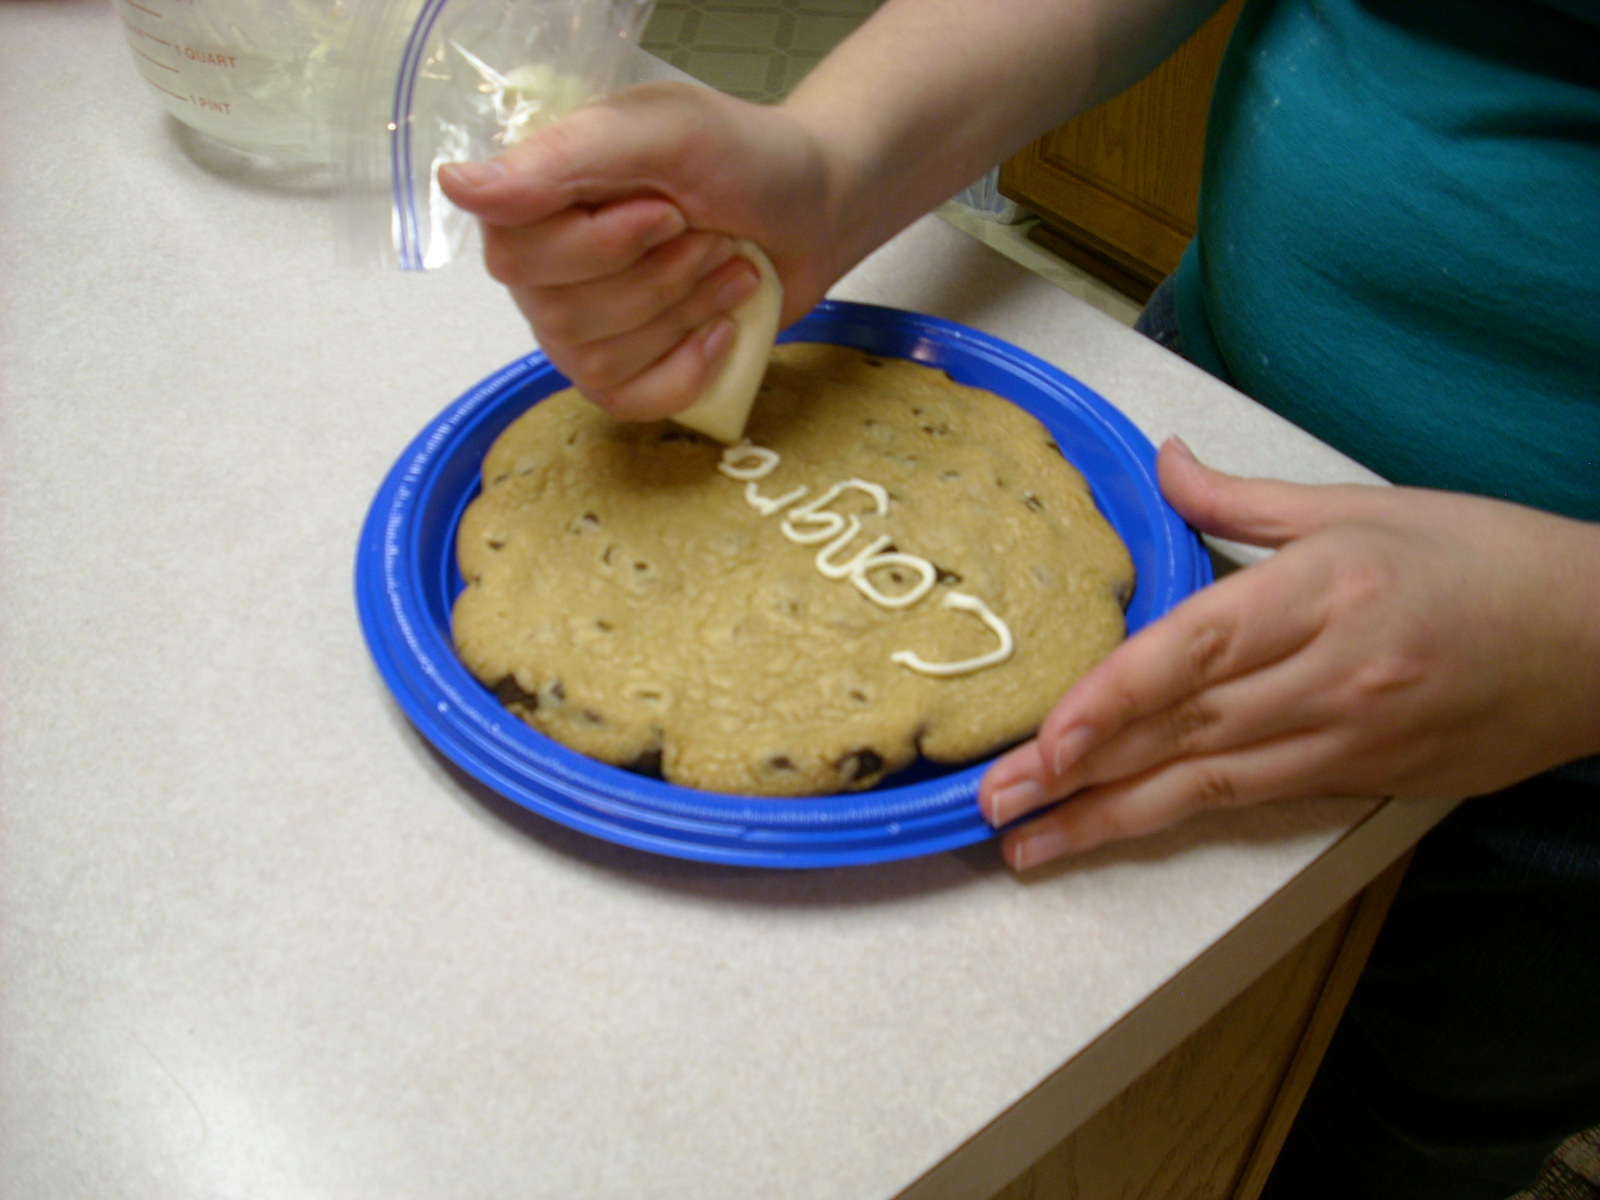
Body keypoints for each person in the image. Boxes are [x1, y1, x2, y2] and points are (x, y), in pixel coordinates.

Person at [438, 1, 1600, 1194]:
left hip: (1562, 775)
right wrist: (840, 156)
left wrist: (1578, 635)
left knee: (1375, 1140)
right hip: (1178, 452)